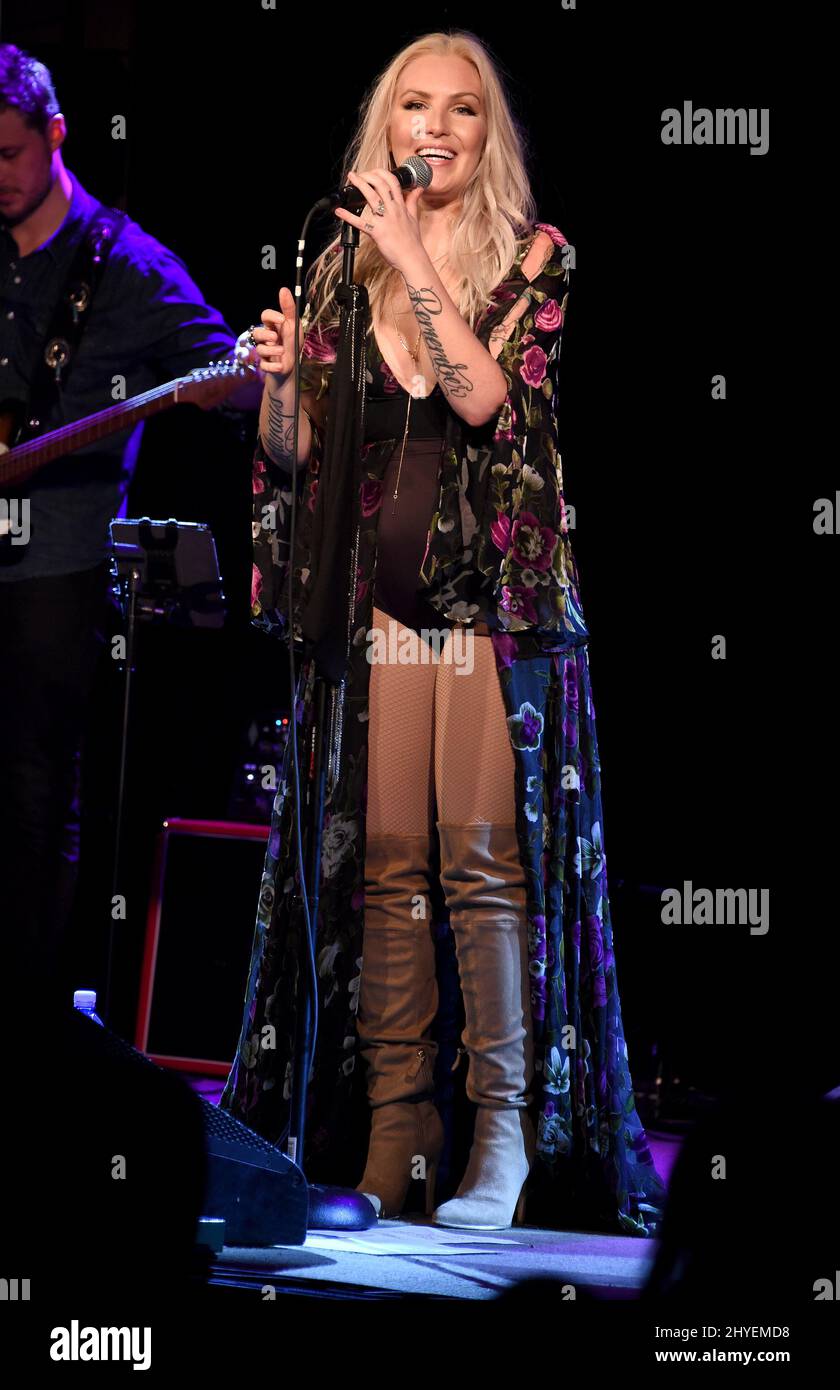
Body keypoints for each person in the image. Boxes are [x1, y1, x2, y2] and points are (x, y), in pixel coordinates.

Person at [220, 30, 668, 1235]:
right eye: (414, 107)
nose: (435, 128)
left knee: (479, 864)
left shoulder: (535, 256)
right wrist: (275, 386)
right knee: (388, 871)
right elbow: (299, 457)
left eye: (461, 111)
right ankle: (393, 1131)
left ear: (489, 134)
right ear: (385, 126)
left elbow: (482, 396)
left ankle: (502, 1135)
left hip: (492, 606)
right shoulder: (335, 268)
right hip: (378, 607)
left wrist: (412, 254)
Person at [0, 44, 262, 1000]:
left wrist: (249, 378)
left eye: (7, 156)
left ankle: (24, 1023)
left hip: (53, 576)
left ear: (56, 135)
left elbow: (235, 377)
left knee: (33, 796)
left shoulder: (130, 266)